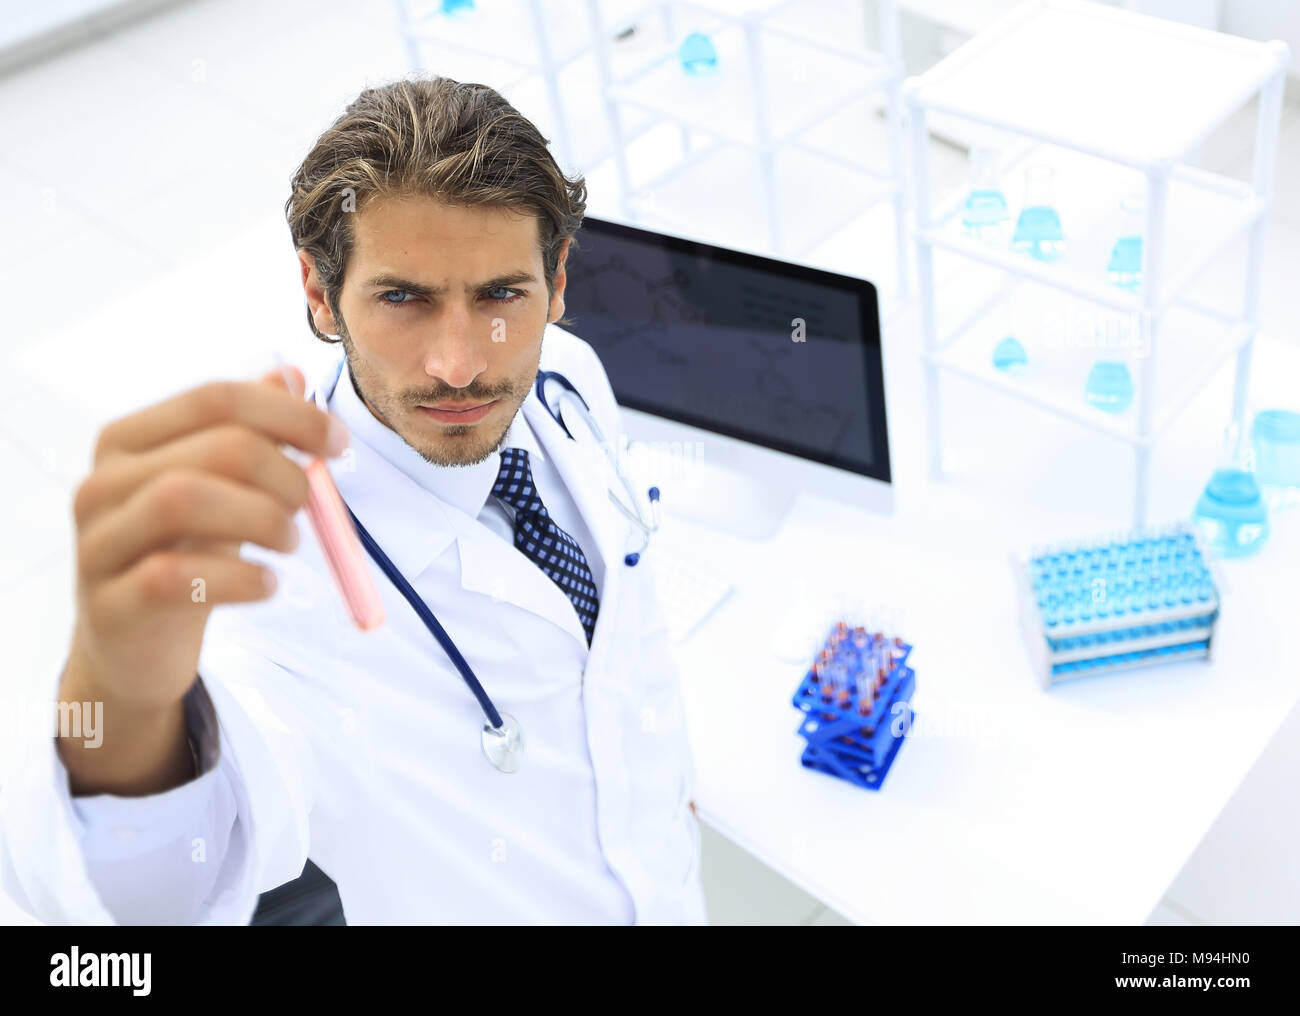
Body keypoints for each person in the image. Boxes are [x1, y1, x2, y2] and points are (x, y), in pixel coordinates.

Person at [0, 75, 705, 925]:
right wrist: (118, 679)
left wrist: (660, 789)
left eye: (500, 296)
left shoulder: (569, 379)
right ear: (318, 293)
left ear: (556, 281)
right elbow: (149, 893)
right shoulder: (276, 584)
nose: (459, 364)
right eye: (403, 299)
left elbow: (623, 636)